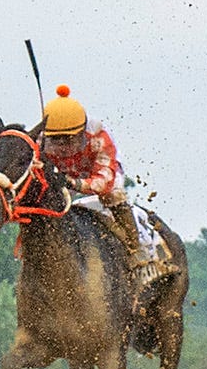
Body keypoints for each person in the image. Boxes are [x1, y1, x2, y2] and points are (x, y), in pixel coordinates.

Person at [39, 85, 146, 276]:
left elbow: (104, 182)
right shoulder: (40, 141)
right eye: (56, 140)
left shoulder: (99, 137)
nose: (63, 146)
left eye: (69, 139)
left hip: (99, 173)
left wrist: (76, 183)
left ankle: (134, 247)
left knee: (113, 195)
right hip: (65, 175)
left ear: (82, 133)